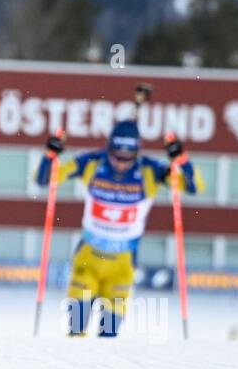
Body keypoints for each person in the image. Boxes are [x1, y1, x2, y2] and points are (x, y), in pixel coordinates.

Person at [35, 120, 202, 337]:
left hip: (123, 263)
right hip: (88, 256)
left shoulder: (150, 170)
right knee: (76, 329)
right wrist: (51, 155)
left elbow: (192, 187)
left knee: (109, 334)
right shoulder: (91, 163)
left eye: (127, 158)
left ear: (136, 152)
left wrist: (181, 159)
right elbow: (44, 179)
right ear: (109, 149)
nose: (121, 164)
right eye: (116, 157)